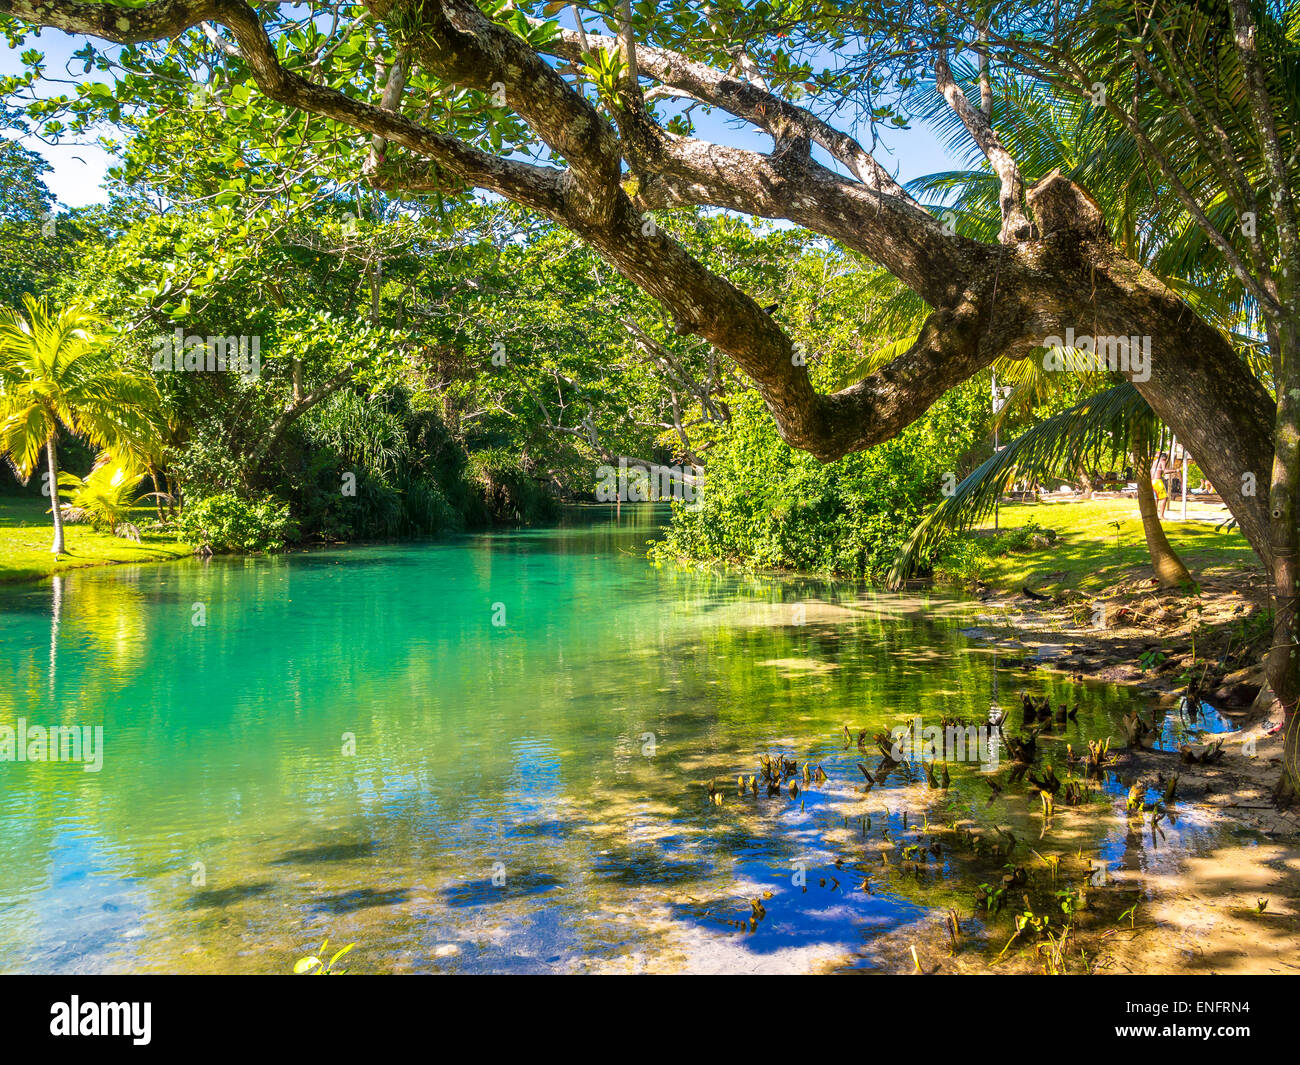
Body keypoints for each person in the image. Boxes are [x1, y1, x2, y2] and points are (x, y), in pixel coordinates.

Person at [1151, 451, 1170, 519]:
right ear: (1164, 457)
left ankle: (1154, 515)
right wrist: (1175, 470)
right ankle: (1161, 516)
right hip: (1157, 481)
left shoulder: (1155, 462)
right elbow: (1165, 471)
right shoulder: (1162, 460)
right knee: (1164, 498)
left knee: (1156, 499)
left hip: (1152, 481)